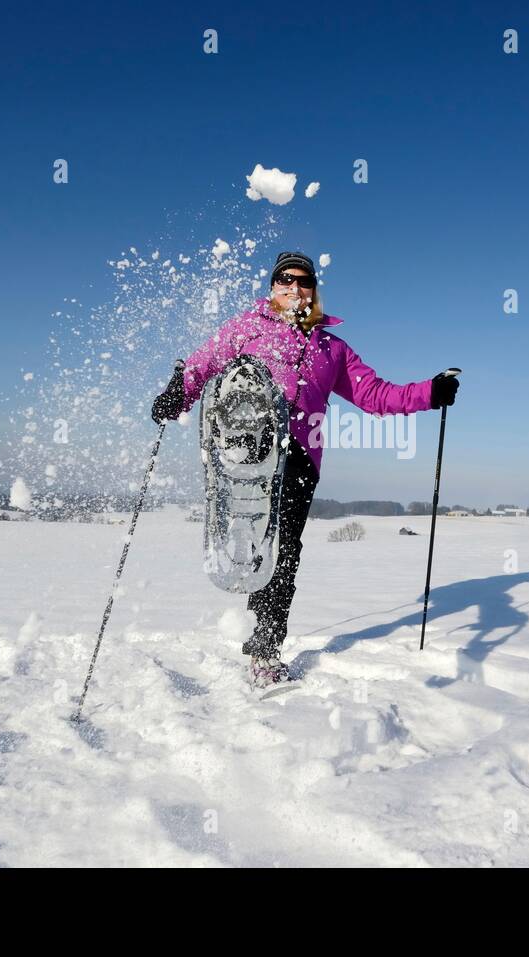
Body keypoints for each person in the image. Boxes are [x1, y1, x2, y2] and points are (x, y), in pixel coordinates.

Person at [152, 251, 460, 685]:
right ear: (272, 287)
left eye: (303, 281)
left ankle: (264, 649)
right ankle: (234, 552)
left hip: (299, 457)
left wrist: (429, 393)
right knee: (253, 540)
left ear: (313, 290)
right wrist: (177, 394)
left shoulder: (331, 348)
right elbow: (205, 363)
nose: (294, 287)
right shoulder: (248, 327)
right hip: (250, 448)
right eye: (285, 279)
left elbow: (374, 395)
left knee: (284, 552)